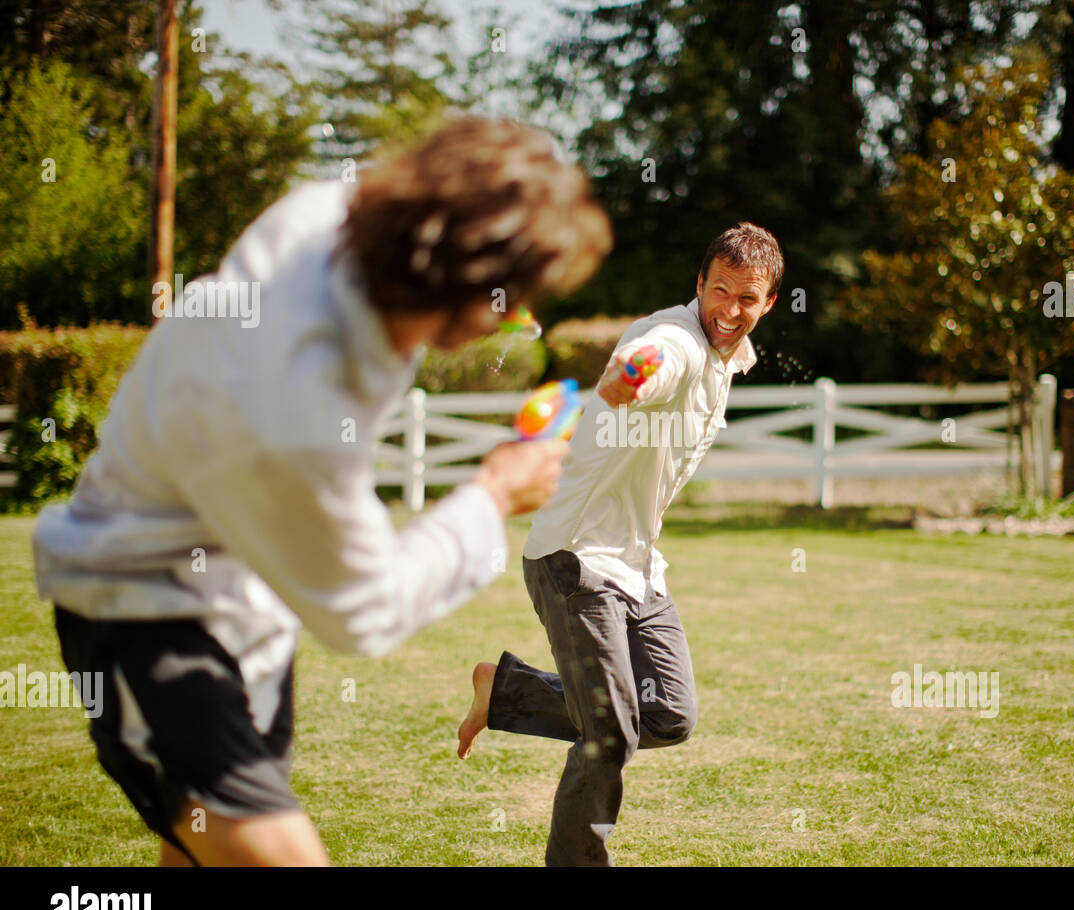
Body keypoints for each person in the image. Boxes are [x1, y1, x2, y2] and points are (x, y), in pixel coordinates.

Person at [30, 117, 611, 866]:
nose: (514, 317)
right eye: (507, 297)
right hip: (143, 614)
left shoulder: (327, 221)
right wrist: (494, 492)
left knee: (202, 853)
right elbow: (362, 610)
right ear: (460, 281)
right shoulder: (290, 409)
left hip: (241, 603)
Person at [457, 223, 783, 866]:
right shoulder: (677, 340)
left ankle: (507, 693)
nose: (730, 310)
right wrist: (632, 375)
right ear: (699, 285)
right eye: (719, 291)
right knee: (608, 733)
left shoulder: (731, 358)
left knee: (669, 715)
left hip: (636, 562)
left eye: (747, 298)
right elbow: (657, 357)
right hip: (573, 556)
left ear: (769, 302)